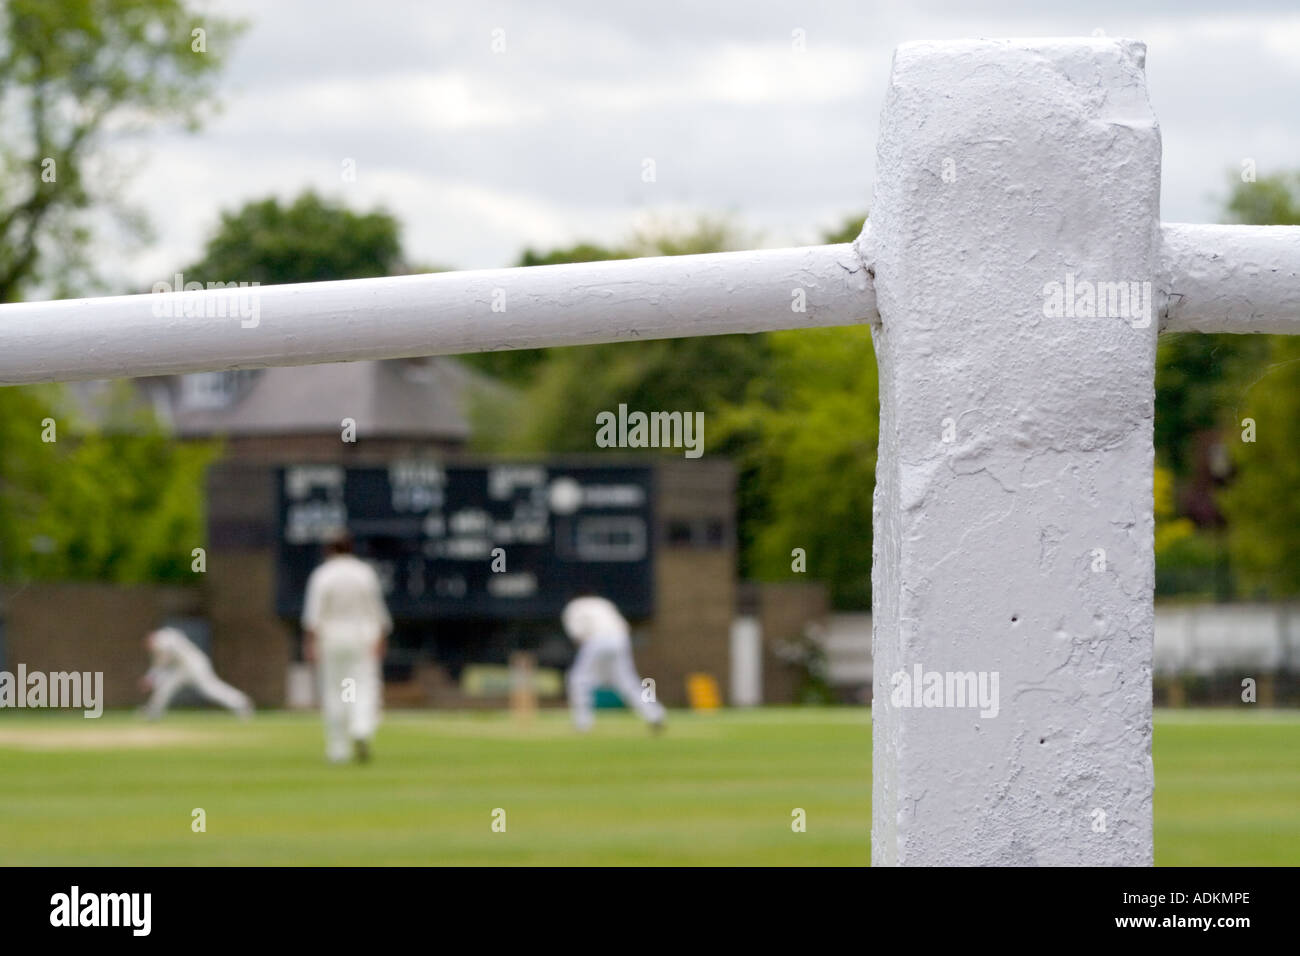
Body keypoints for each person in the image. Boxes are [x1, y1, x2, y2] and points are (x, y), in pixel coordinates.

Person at [301, 531, 392, 764]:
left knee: (335, 691)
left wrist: (310, 644)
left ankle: (338, 748)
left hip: (330, 639)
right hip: (361, 638)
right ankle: (361, 727)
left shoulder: (322, 575)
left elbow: (313, 616)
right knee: (363, 686)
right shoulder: (364, 573)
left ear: (327, 549)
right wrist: (381, 638)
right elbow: (378, 611)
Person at [561, 592, 665, 733]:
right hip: (620, 639)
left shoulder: (573, 607)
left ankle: (582, 723)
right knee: (628, 681)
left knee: (578, 679)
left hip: (596, 640)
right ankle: (655, 715)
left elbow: (577, 635)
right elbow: (624, 626)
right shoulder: (603, 602)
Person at [140, 627, 253, 720]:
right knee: (165, 687)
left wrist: (151, 678)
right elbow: (159, 665)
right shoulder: (159, 645)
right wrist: (150, 678)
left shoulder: (165, 638)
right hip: (180, 669)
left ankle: (241, 703)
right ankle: (153, 712)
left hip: (195, 665)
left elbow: (163, 660)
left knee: (211, 689)